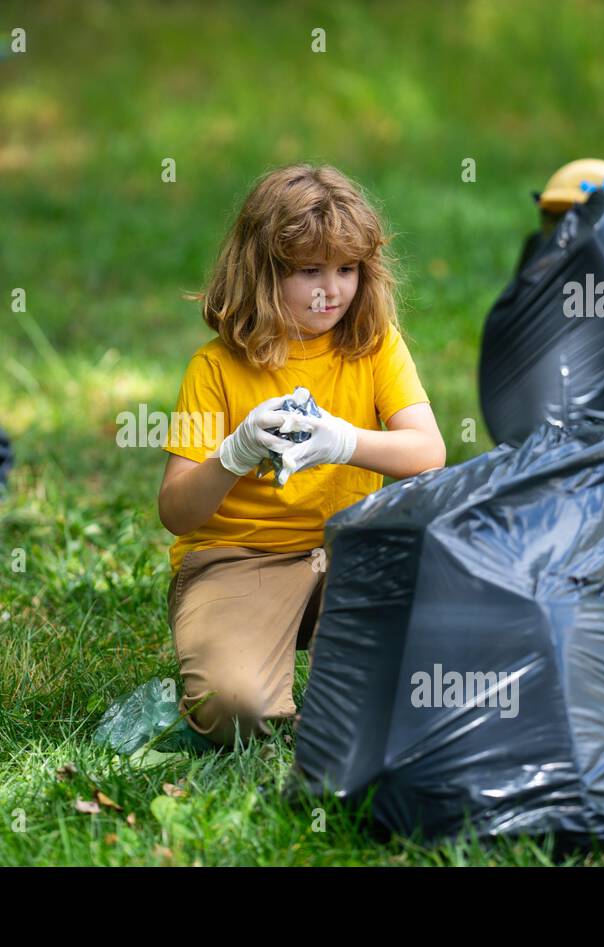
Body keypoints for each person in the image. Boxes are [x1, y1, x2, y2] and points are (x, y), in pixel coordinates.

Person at [157, 163, 446, 748]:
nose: (331, 290)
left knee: (442, 663)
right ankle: (255, 661)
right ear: (261, 273)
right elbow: (177, 512)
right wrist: (234, 453)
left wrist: (343, 441)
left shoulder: (374, 344)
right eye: (309, 270)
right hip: (239, 558)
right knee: (231, 711)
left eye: (347, 270)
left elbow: (428, 453)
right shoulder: (212, 368)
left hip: (349, 547)